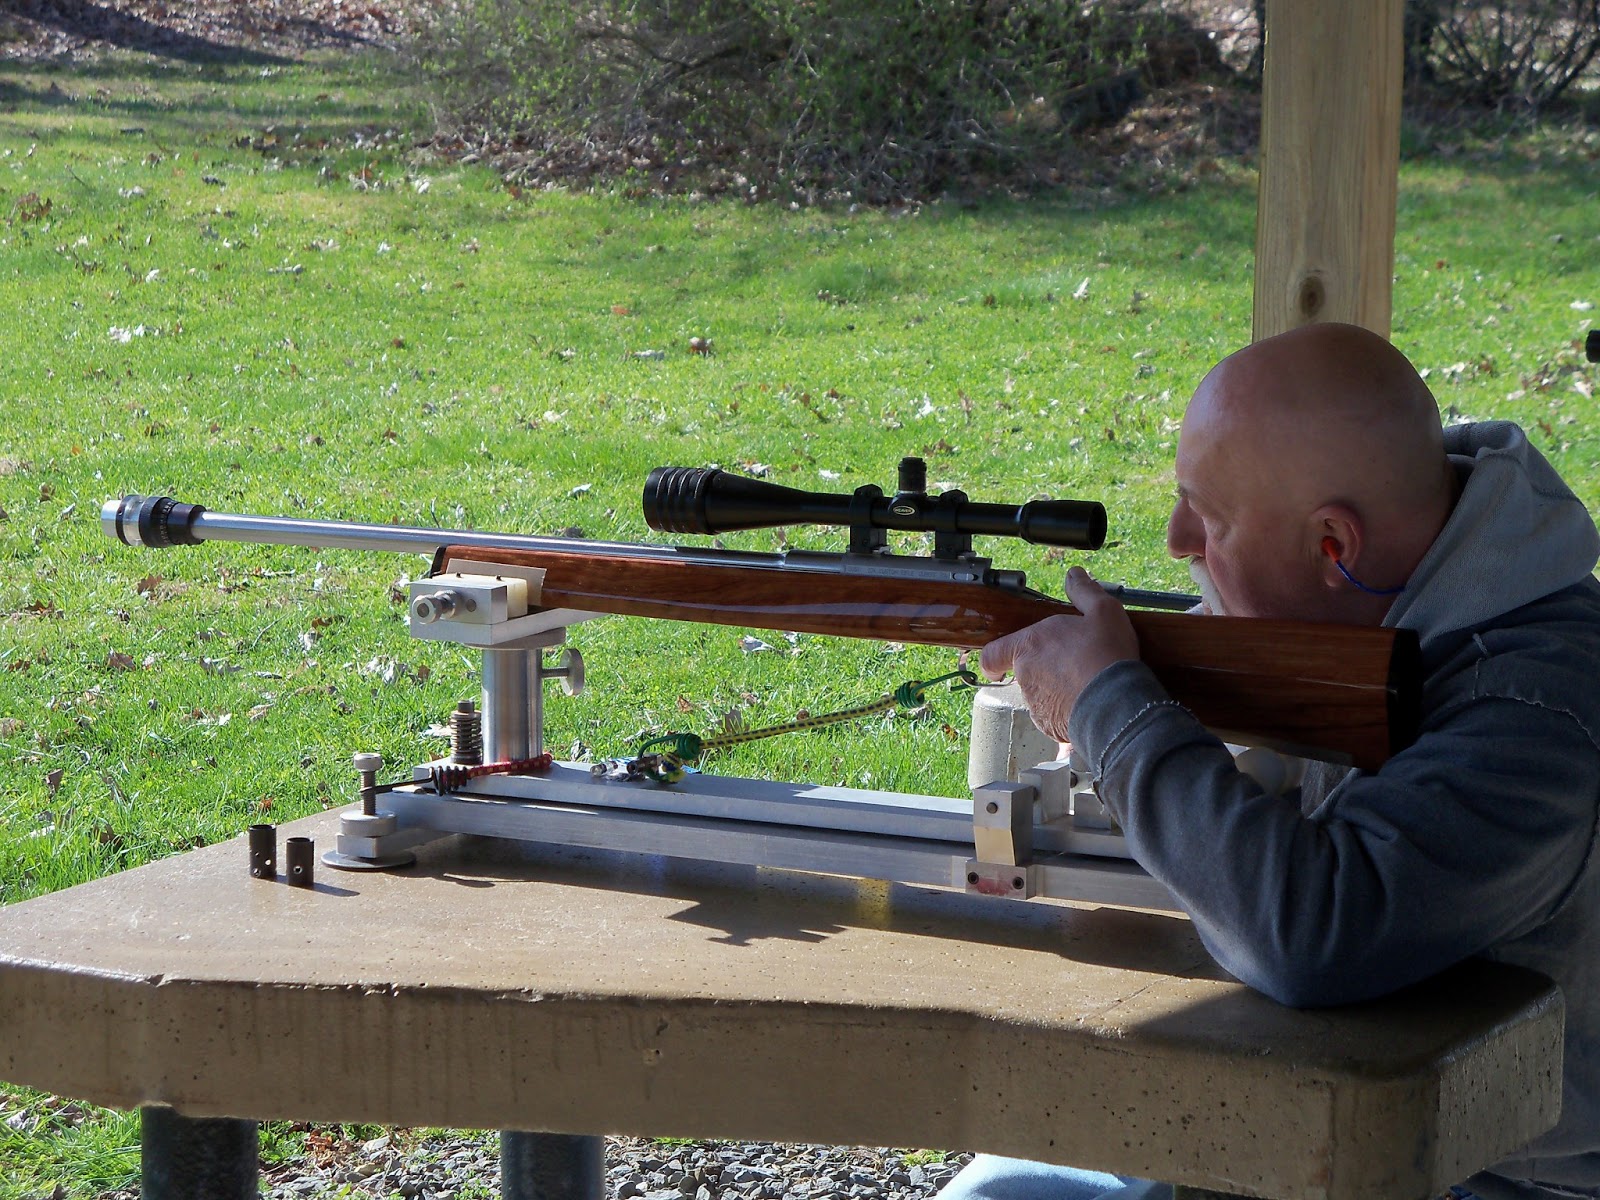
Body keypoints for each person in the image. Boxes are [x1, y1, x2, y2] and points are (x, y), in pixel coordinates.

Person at [943, 322, 1600, 1200]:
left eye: (1209, 519)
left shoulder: (1534, 707)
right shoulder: (1412, 603)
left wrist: (1112, 709)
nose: (1177, 540)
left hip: (1497, 1176)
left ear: (1336, 546)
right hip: (1360, 1100)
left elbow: (1308, 931)